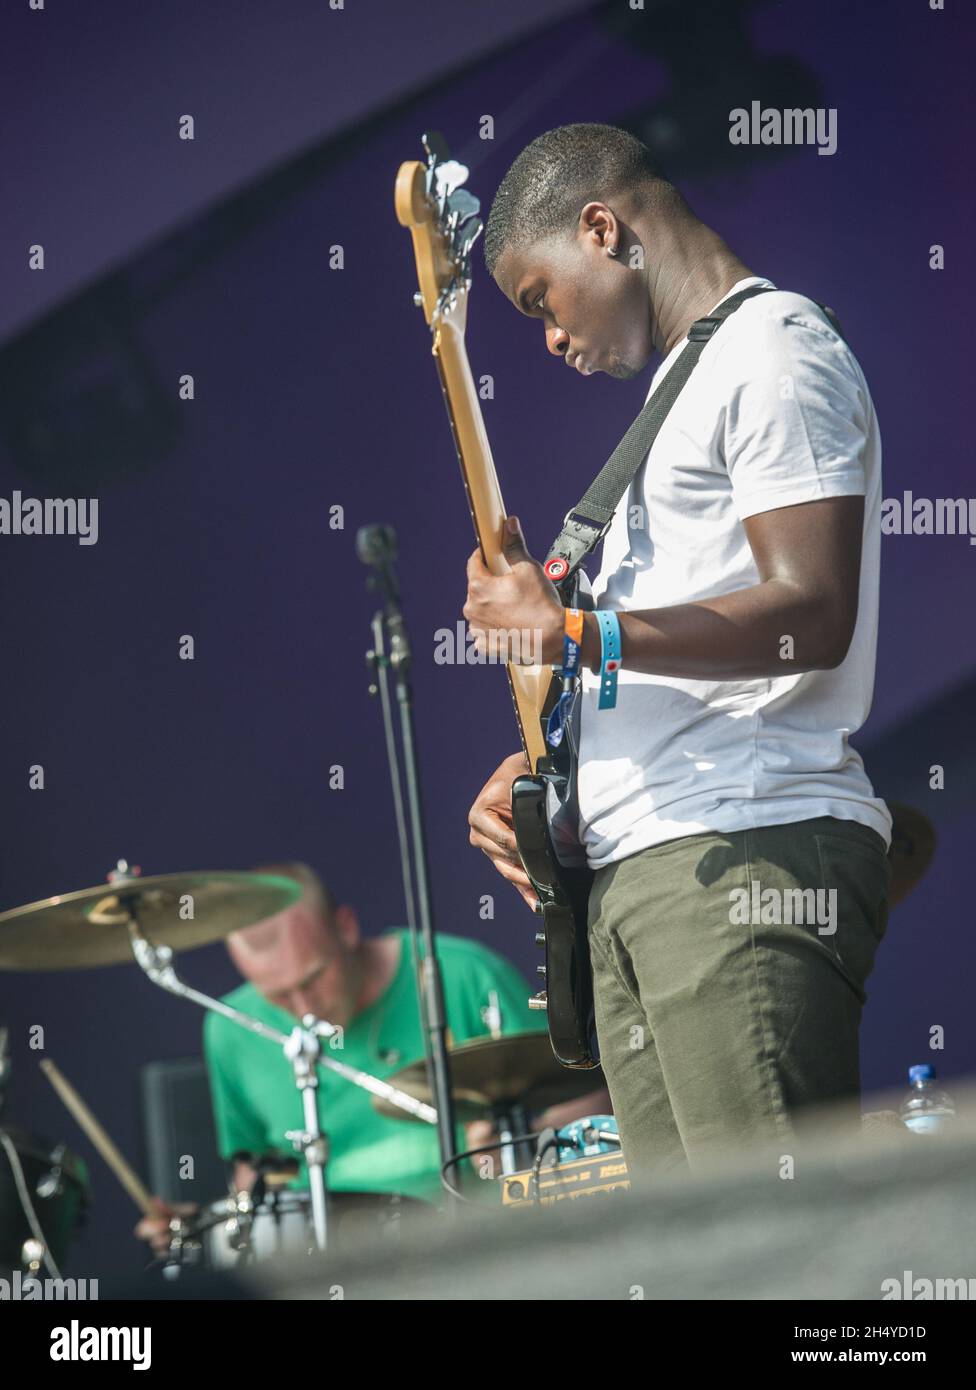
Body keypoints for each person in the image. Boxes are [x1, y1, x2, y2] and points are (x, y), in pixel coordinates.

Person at [465, 123, 892, 1179]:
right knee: (692, 1268)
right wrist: (545, 768)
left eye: (540, 301)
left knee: (773, 1264)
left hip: (737, 853)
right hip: (648, 873)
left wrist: (575, 632)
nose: (550, 338)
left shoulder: (773, 347)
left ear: (602, 228)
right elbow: (667, 648)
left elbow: (810, 612)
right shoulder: (685, 387)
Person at [137, 861, 608, 1249]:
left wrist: (523, 1137)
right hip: (327, 1255)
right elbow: (257, 1170)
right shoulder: (229, 1026)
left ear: (346, 927)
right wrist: (206, 1229)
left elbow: (588, 1100)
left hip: (475, 1238)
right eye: (278, 995)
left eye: (313, 978)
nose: (303, 1008)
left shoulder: (459, 972)